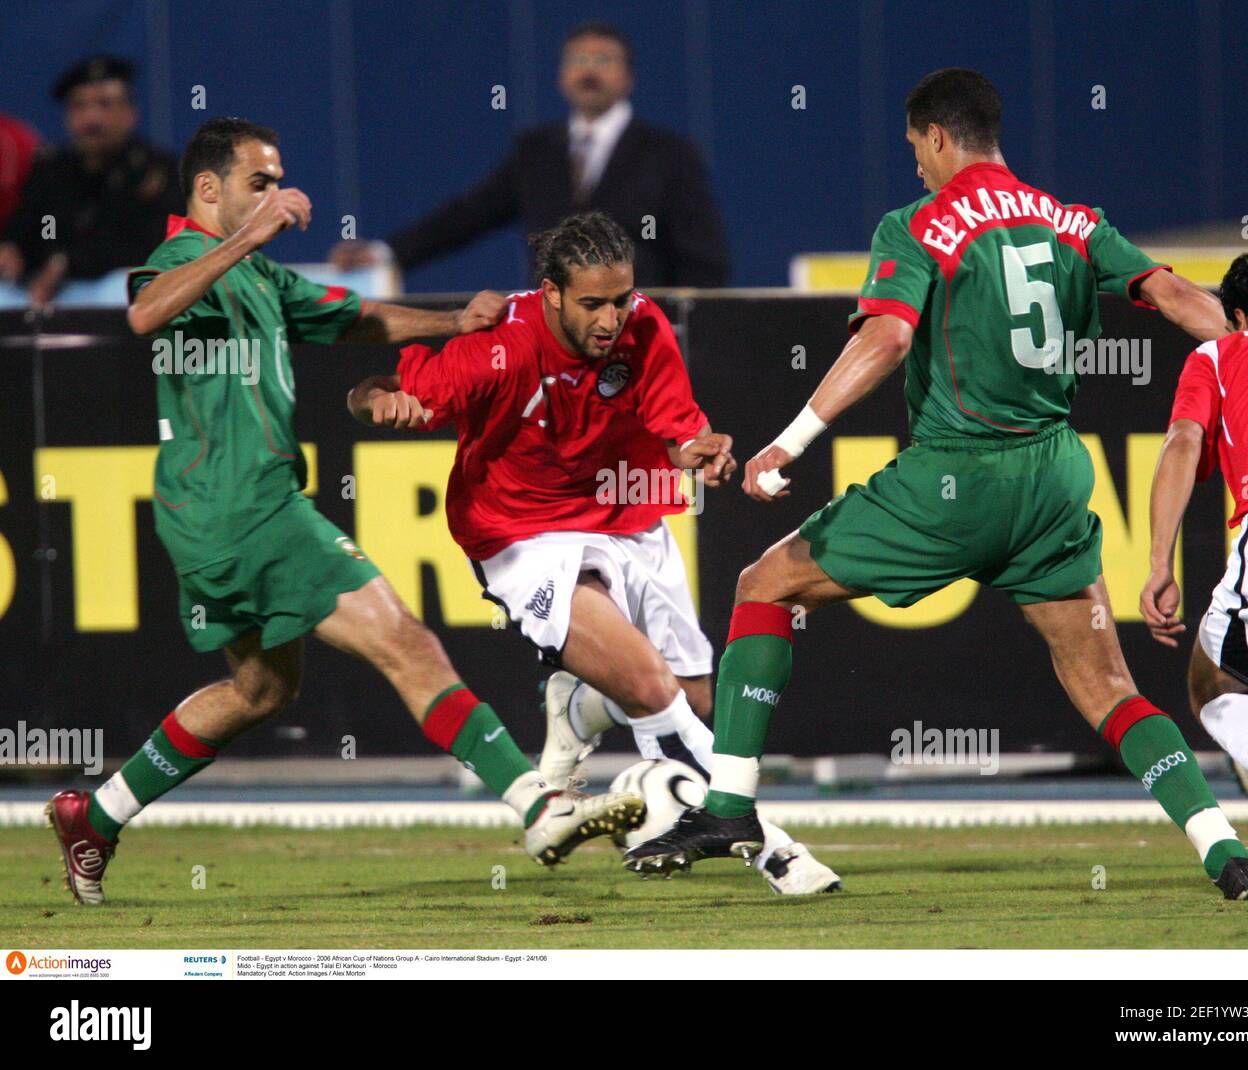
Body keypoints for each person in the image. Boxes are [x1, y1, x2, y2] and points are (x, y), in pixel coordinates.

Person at [625, 68, 1248, 901]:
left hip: (959, 474)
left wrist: (785, 444)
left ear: (936, 136)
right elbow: (1183, 300)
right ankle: (1228, 853)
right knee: (1107, 685)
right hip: (1054, 476)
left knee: (765, 582)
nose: (916, 168)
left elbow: (888, 341)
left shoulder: (918, 224)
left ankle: (729, 807)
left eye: (915, 150)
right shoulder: (1076, 220)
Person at [45, 119, 642, 906]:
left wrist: (451, 323)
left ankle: (97, 815)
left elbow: (354, 318)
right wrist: (253, 233)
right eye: (259, 181)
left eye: (275, 181)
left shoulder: (259, 277)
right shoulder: (186, 258)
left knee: (259, 691)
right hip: (245, 507)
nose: (275, 194)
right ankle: (536, 804)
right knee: (406, 639)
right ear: (208, 189)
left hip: (210, 516)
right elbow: (146, 313)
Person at [348, 211, 840, 894]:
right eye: (592, 304)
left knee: (695, 700)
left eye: (621, 298)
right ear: (550, 293)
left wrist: (697, 449)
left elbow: (675, 427)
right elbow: (374, 392)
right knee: (648, 687)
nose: (612, 318)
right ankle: (775, 850)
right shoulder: (499, 345)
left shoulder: (643, 326)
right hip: (527, 537)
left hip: (630, 514)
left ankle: (581, 708)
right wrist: (377, 404)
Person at [331, 22, 729, 288]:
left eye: (603, 60)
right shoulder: (536, 151)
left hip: (639, 332)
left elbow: (704, 258)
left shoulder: (668, 153)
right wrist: (385, 254)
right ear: (561, 76)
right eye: (578, 60)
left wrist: (686, 330)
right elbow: (467, 216)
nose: (589, 70)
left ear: (628, 78)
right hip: (551, 337)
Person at [1142, 248, 1248, 800]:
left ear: (1238, 317)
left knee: (1212, 684)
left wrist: (1160, 562)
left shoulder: (1216, 355)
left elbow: (1184, 442)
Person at [0, 56, 183, 304]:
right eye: (80, 106)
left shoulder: (154, 171)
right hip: (44, 294)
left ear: (130, 113)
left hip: (103, 290)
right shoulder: (51, 168)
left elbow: (153, 247)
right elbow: (31, 227)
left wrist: (66, 263)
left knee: (126, 288)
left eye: (105, 104)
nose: (92, 119)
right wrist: (13, 251)